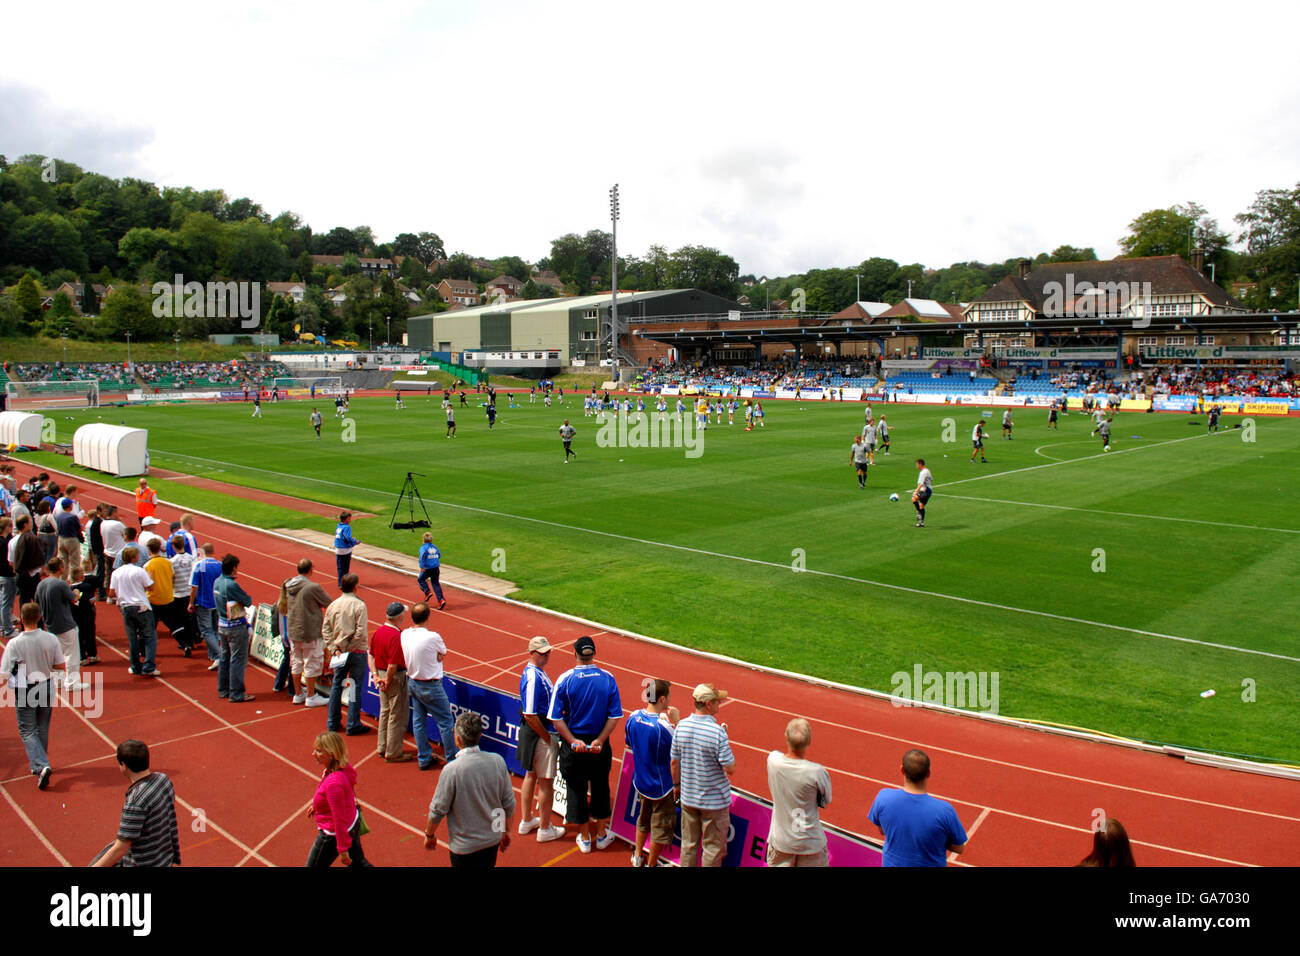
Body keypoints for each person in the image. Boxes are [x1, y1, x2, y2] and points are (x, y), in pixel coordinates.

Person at [546, 635, 622, 853]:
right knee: (600, 786)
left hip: (575, 744)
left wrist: (572, 741)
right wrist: (600, 739)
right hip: (599, 744)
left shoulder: (565, 679)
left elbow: (555, 718)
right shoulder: (608, 678)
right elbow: (614, 715)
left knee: (576, 789)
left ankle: (585, 837)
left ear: (575, 654)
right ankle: (601, 834)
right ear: (594, 654)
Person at [424, 712, 516, 868]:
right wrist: (505, 831)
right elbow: (508, 803)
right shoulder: (497, 761)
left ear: (458, 739)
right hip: (491, 841)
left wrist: (429, 834)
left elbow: (438, 810)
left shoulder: (452, 770)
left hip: (464, 848)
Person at [1, 602, 66, 790]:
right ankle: (40, 762)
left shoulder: (14, 644)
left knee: (27, 730)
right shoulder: (51, 639)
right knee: (42, 726)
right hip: (45, 685)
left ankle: (41, 764)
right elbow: (60, 666)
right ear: (39, 617)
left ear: (21, 619)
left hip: (25, 688)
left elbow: (3, 674)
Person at [672, 682, 736, 867]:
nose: (720, 704)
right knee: (713, 848)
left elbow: (674, 762)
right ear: (708, 705)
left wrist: (676, 786)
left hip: (689, 798)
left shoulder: (681, 726)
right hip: (714, 802)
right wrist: (724, 741)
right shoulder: (717, 733)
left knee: (688, 845)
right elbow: (730, 768)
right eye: (717, 701)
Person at [867, 749, 968, 867]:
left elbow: (882, 830)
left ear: (902, 770)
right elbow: (959, 848)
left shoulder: (883, 798)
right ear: (928, 773)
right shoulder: (945, 811)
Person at [90, 740, 181, 867]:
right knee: (106, 851)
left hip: (144, 862)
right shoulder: (163, 779)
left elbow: (121, 848)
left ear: (124, 765)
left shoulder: (135, 801)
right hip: (164, 857)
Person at [624, 678, 679, 867]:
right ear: (662, 699)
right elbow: (680, 751)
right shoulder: (664, 727)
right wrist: (677, 722)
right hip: (661, 787)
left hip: (641, 781)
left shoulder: (632, 717)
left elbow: (629, 743)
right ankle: (652, 864)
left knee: (643, 818)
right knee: (660, 827)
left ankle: (638, 856)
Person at [516, 636, 565, 844]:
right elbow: (529, 713)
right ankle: (544, 828)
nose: (547, 656)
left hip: (536, 732)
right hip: (540, 732)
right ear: (532, 653)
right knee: (546, 781)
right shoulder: (533, 677)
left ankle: (527, 820)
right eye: (543, 653)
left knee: (531, 775)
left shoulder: (536, 673)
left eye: (548, 652)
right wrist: (547, 738)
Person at [766, 717, 832, 867]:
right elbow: (826, 799)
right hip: (810, 843)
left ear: (786, 736)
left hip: (782, 841)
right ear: (809, 742)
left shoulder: (773, 760)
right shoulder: (817, 772)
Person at [401, 602, 457, 770]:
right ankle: (452, 760)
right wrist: (436, 657)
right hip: (430, 685)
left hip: (413, 682)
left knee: (419, 721)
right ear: (427, 617)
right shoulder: (433, 637)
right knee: (446, 722)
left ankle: (424, 757)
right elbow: (443, 653)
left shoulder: (405, 634)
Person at [307, 732, 373, 867]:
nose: (313, 754)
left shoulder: (333, 783)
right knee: (359, 863)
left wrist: (342, 850)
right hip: (353, 822)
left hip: (332, 835)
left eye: (319, 751)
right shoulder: (344, 769)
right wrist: (317, 806)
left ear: (331, 754)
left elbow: (338, 818)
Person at [324, 573, 369, 736]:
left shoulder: (333, 605)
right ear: (355, 587)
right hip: (356, 652)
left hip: (339, 653)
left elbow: (326, 630)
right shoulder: (359, 605)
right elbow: (360, 632)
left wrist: (334, 648)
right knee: (355, 687)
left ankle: (332, 721)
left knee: (337, 685)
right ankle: (353, 724)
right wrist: (350, 647)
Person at [109, 547, 161, 677]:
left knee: (132, 638)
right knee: (150, 637)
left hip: (126, 607)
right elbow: (150, 586)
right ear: (134, 558)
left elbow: (111, 592)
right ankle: (149, 667)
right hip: (141, 606)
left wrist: (121, 596)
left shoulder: (116, 573)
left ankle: (135, 666)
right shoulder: (139, 571)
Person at [35, 557, 86, 691]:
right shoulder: (61, 584)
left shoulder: (41, 584)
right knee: (71, 655)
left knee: (55, 654)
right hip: (65, 624)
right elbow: (74, 598)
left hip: (50, 625)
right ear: (60, 569)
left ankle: (57, 681)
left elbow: (36, 602)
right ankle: (72, 683)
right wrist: (76, 592)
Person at [370, 602, 411, 762]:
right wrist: (387, 679)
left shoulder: (379, 632)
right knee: (396, 713)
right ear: (399, 617)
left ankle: (382, 746)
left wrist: (375, 675)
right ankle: (393, 751)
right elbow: (393, 664)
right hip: (393, 676)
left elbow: (371, 655)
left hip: (380, 674)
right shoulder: (396, 636)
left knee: (385, 711)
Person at [212, 553, 255, 702]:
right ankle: (236, 693)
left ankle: (223, 689)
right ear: (234, 568)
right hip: (235, 627)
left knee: (224, 657)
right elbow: (247, 600)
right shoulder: (232, 585)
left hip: (222, 624)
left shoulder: (217, 582)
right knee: (238, 659)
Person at [188, 542, 222, 671]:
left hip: (204, 602)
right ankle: (214, 655)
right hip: (217, 601)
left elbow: (194, 586)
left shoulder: (199, 566)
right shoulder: (220, 565)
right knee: (214, 629)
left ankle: (219, 656)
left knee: (206, 630)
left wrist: (191, 602)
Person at [71, 557, 99, 666]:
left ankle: (82, 657)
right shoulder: (87, 587)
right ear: (82, 577)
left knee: (78, 636)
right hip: (87, 615)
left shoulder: (69, 589)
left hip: (75, 616)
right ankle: (92, 655)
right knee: (90, 635)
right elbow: (92, 600)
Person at [54, 500, 83, 581]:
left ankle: (62, 580)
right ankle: (75, 581)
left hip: (61, 539)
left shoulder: (59, 516)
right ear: (70, 506)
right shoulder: (72, 517)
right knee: (75, 562)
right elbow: (79, 528)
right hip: (71, 540)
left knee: (63, 563)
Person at [417, 532, 446, 609]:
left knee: (420, 580)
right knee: (436, 584)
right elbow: (439, 555)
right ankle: (441, 600)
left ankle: (427, 592)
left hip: (427, 569)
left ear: (423, 540)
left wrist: (421, 566)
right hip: (436, 568)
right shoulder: (435, 547)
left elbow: (422, 556)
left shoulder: (423, 548)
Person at [333, 511, 359, 587]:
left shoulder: (339, 526)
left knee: (340, 568)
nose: (350, 520)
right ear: (346, 519)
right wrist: (355, 542)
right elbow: (347, 537)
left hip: (338, 549)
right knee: (345, 568)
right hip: (345, 549)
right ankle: (345, 583)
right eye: (349, 518)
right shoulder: (347, 527)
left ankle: (340, 583)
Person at [0, 517, 16, 639]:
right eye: (10, 526)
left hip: (3, 574)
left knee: (2, 602)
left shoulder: (5, 540)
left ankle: (3, 627)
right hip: (7, 575)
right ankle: (8, 630)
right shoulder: (4, 544)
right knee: (6, 603)